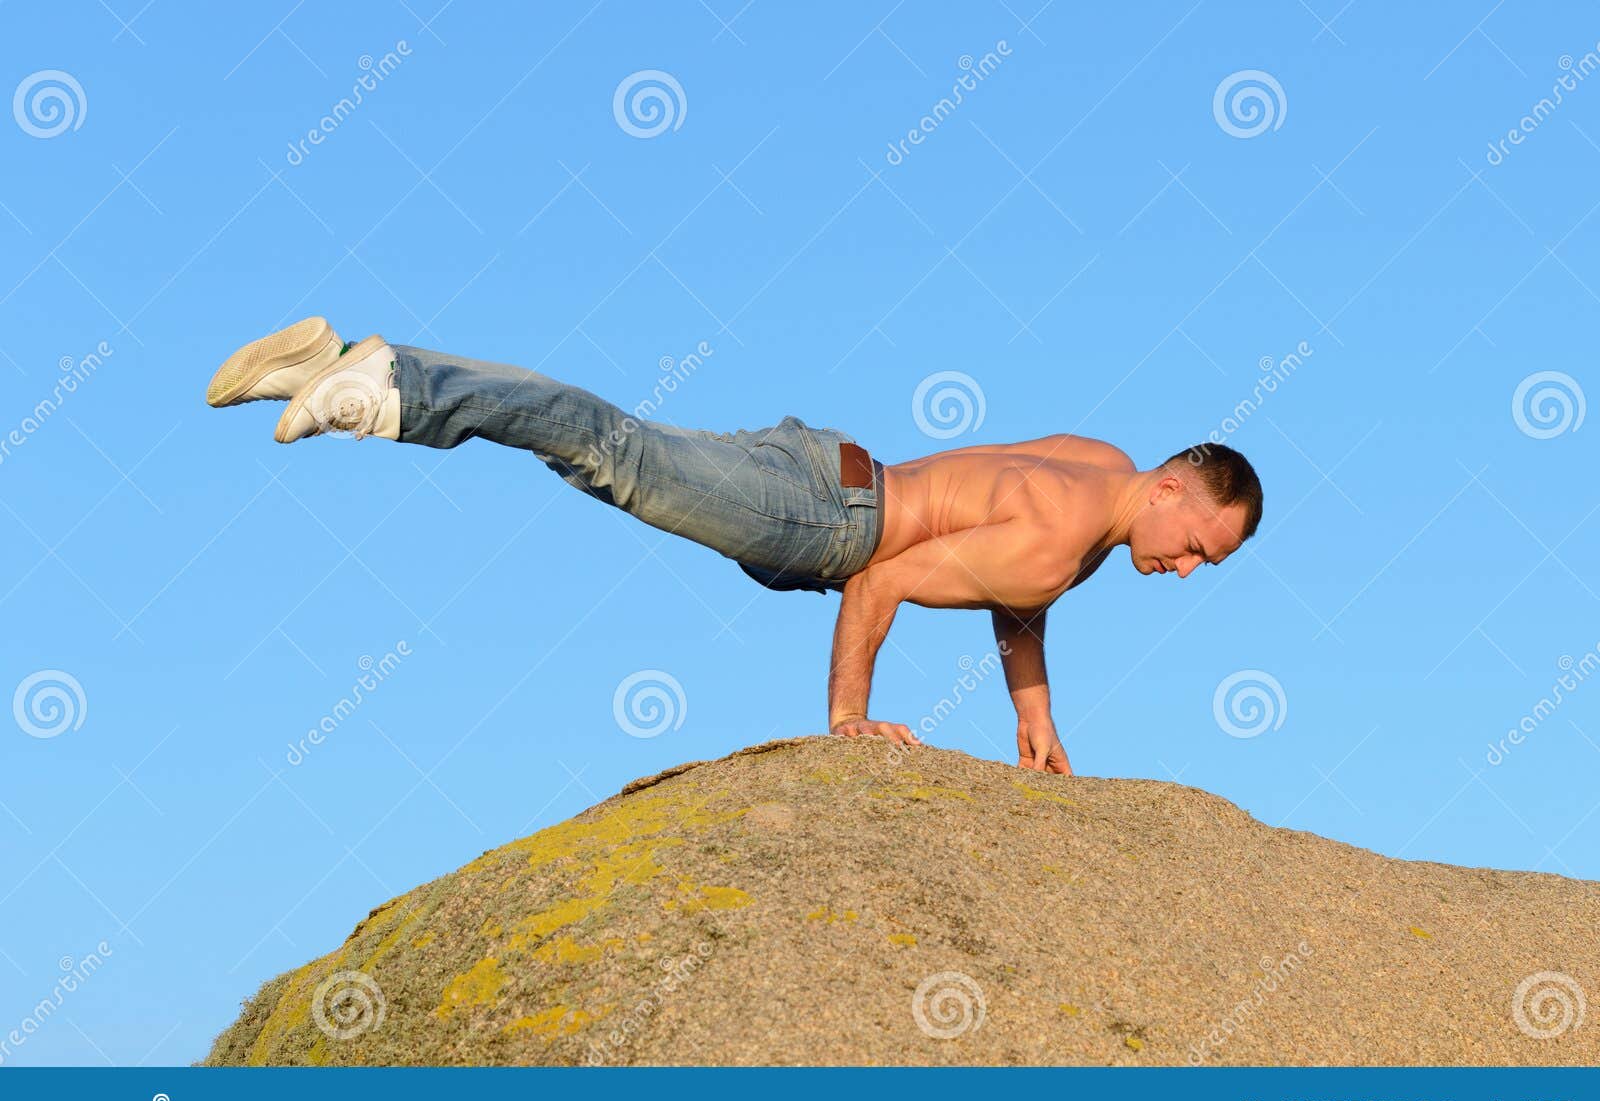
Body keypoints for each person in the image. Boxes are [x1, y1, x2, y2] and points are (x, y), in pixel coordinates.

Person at [208, 317, 1264, 775]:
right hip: (831, 521)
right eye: (1195, 546)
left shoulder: (1097, 462)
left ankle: (325, 361)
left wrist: (1032, 715)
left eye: (1202, 565)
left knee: (620, 440)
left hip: (834, 463)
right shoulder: (1057, 546)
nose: (1184, 569)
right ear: (1173, 486)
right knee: (608, 449)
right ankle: (390, 385)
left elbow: (1013, 574)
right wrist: (846, 717)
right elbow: (890, 574)